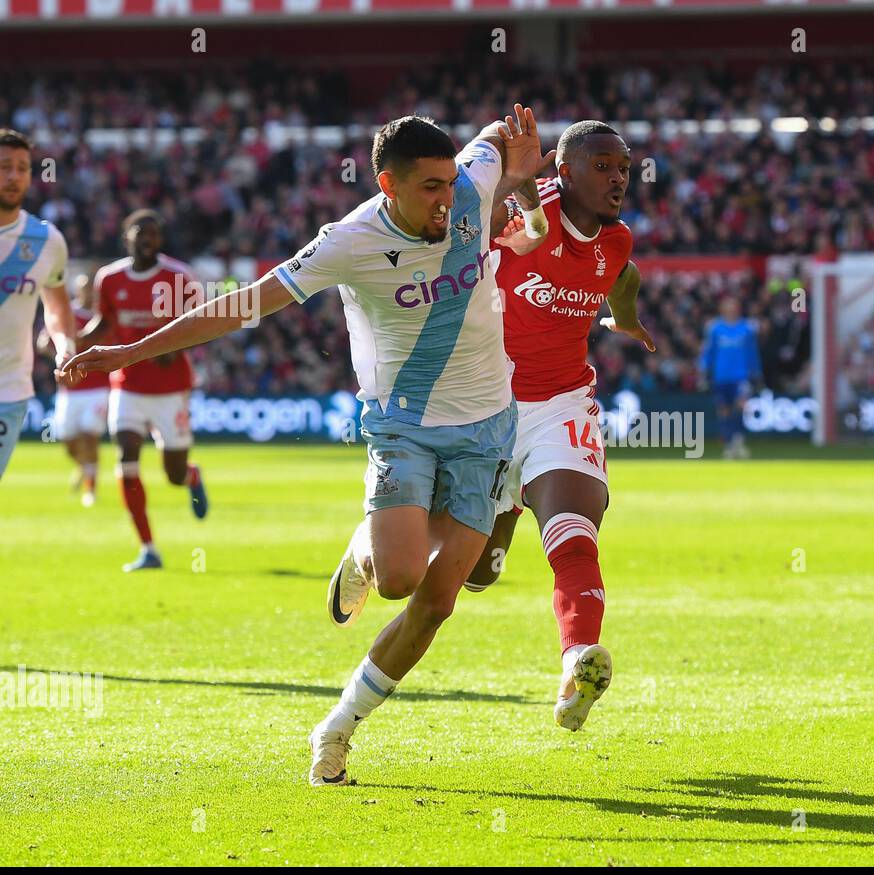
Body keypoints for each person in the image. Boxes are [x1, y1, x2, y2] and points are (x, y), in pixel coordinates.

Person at [59, 106, 553, 786]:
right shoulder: (347, 242)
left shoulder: (476, 175)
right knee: (401, 577)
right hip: (403, 423)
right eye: (430, 188)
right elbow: (243, 303)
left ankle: (337, 727)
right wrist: (132, 349)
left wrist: (523, 179)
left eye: (450, 183)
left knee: (439, 599)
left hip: (489, 424)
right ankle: (365, 551)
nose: (448, 198)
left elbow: (518, 194)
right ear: (388, 184)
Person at [462, 120, 653, 732]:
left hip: (562, 406)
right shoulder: (523, 212)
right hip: (488, 408)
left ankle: (577, 662)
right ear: (563, 171)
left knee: (574, 533)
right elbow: (464, 237)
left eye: (623, 166)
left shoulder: (617, 240)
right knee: (475, 575)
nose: (618, 176)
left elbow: (622, 275)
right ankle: (508, 504)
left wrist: (624, 319)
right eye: (603, 165)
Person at [80, 210, 209, 569]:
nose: (147, 239)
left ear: (161, 241)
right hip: (127, 386)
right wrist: (74, 342)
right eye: (141, 233)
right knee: (126, 458)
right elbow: (103, 322)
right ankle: (148, 548)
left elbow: (201, 325)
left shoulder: (178, 277)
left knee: (173, 474)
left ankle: (191, 476)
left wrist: (177, 349)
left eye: (154, 234)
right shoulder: (109, 278)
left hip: (172, 389)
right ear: (128, 238)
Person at [0, 128, 78, 480]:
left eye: (22, 168)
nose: (13, 176)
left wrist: (65, 346)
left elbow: (58, 307)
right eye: (4, 167)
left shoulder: (47, 241)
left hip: (9, 391)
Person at [40, 273, 108, 505]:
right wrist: (62, 361)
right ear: (78, 292)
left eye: (91, 289)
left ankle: (91, 489)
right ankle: (84, 467)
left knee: (90, 436)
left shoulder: (104, 317)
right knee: (69, 443)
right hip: (71, 391)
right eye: (83, 289)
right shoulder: (70, 315)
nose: (88, 293)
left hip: (98, 389)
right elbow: (43, 343)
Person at [700, 296, 762, 459]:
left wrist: (756, 372)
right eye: (728, 306)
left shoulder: (747, 328)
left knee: (741, 406)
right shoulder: (715, 328)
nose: (731, 309)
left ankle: (738, 441)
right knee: (724, 410)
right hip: (721, 376)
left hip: (741, 376)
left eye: (733, 306)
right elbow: (709, 352)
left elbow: (752, 352)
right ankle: (729, 444)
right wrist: (704, 370)